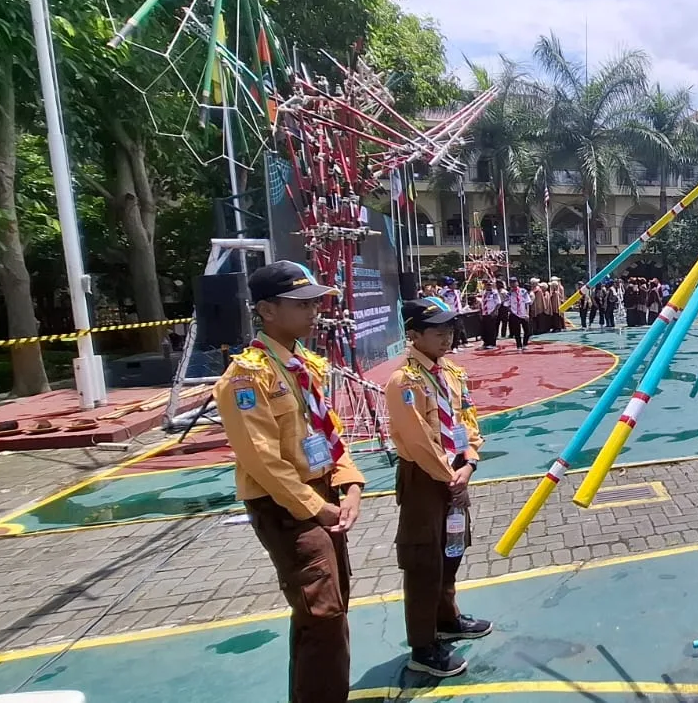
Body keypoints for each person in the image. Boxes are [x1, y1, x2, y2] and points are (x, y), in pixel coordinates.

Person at [214, 261, 366, 703]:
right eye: (301, 303)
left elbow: (328, 432)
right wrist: (316, 506)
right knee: (323, 614)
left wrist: (350, 483)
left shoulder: (303, 367)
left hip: (321, 495)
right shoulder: (246, 377)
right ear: (266, 310)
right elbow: (262, 459)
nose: (314, 311)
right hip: (286, 507)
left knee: (323, 612)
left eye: (314, 301)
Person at [385, 297, 493, 678]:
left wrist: (470, 460)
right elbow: (418, 441)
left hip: (455, 472)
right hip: (426, 479)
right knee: (423, 560)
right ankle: (423, 644)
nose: (447, 337)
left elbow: (466, 418)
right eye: (437, 331)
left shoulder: (450, 373)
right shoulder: (405, 382)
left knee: (452, 548)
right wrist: (452, 476)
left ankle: (447, 618)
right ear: (413, 335)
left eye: (450, 329)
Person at [505, 278, 531, 350]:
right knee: (517, 331)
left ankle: (525, 344)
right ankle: (519, 345)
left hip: (523, 313)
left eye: (514, 282)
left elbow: (527, 303)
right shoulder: (509, 294)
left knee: (527, 331)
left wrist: (527, 313)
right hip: (515, 314)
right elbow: (507, 304)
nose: (513, 284)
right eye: (511, 282)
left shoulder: (523, 291)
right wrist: (512, 312)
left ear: (517, 282)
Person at [480, 281, 504, 349]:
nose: (488, 286)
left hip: (491, 313)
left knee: (492, 329)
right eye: (487, 285)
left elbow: (498, 303)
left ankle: (492, 343)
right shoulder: (484, 293)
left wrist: (494, 311)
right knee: (485, 329)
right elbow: (482, 303)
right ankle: (486, 342)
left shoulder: (494, 293)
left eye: (489, 285)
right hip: (485, 313)